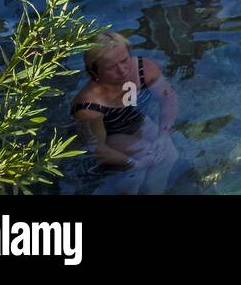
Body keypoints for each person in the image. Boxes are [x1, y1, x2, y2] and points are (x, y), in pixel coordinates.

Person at [71, 32, 178, 194]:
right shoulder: (89, 105)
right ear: (94, 72)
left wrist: (164, 134)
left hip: (136, 120)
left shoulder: (144, 69)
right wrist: (133, 163)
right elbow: (96, 147)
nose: (122, 71)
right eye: (111, 67)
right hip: (109, 134)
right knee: (140, 163)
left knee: (168, 153)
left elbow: (169, 98)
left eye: (124, 60)